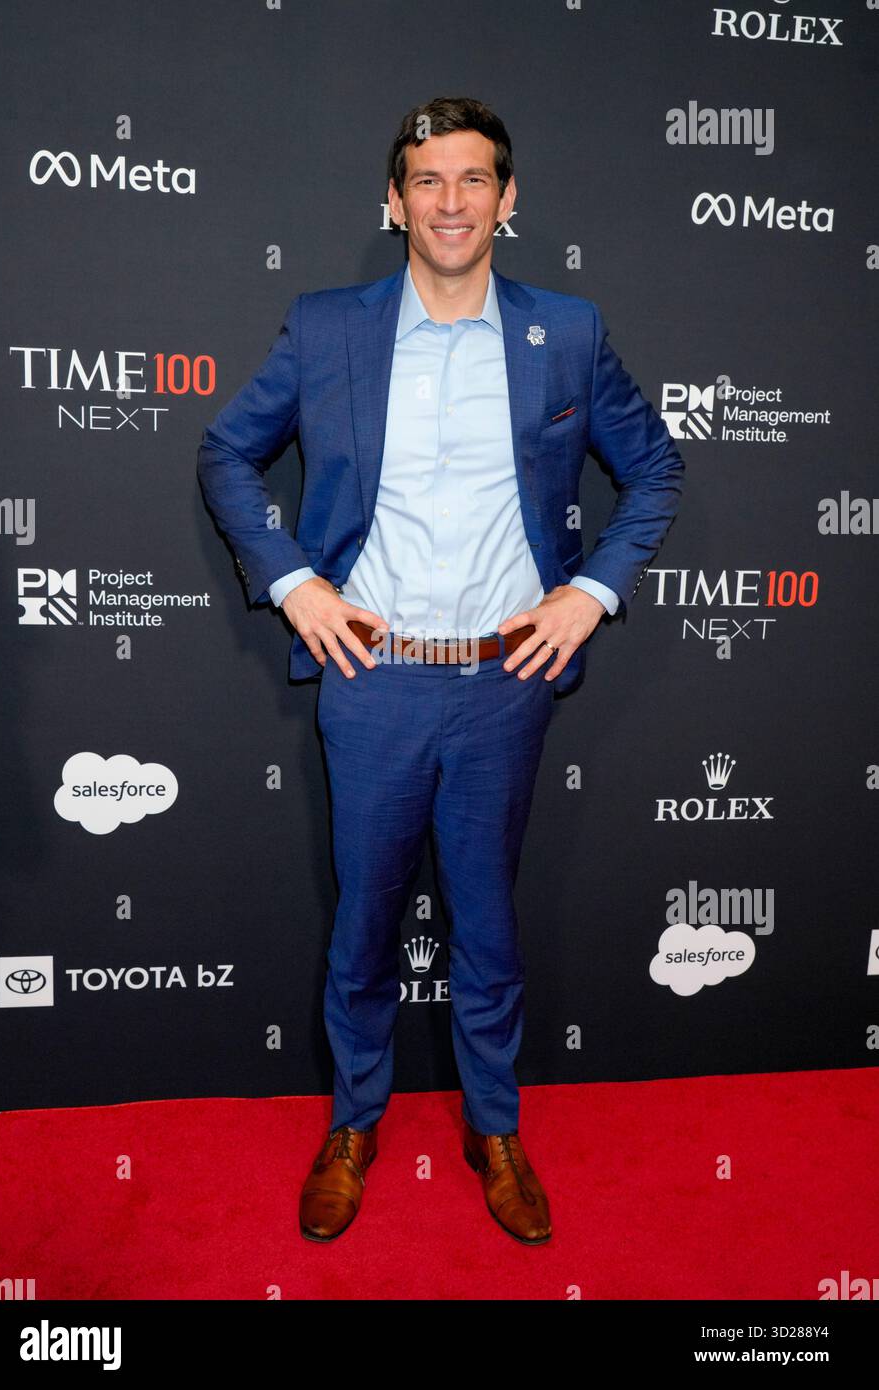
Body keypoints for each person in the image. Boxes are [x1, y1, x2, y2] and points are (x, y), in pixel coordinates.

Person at [197, 95, 685, 1246]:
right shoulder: (328, 329)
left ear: (508, 203)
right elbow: (228, 452)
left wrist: (591, 591)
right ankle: (354, 1125)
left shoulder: (565, 331)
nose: (451, 201)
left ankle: (494, 1127)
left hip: (505, 678)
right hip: (371, 679)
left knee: (490, 928)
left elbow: (653, 469)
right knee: (363, 923)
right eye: (429, 180)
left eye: (474, 180)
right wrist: (292, 581)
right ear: (395, 199)